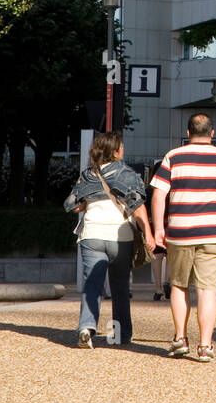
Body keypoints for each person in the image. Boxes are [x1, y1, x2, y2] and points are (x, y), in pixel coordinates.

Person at [151, 113, 216, 362]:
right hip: (214, 234)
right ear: (212, 133)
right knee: (207, 290)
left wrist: (158, 229)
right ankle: (205, 345)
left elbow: (158, 195)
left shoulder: (173, 157)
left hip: (180, 232)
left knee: (179, 285)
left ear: (188, 134)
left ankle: (179, 339)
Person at [64, 132, 154, 348]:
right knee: (120, 287)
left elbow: (74, 205)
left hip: (92, 236)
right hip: (119, 237)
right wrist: (149, 234)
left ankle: (86, 327)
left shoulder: (87, 175)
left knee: (92, 285)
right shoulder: (127, 174)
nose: (123, 149)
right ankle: (121, 335)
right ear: (115, 151)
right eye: (121, 146)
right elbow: (139, 209)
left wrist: (90, 201)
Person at [149, 160, 170, 301]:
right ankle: (167, 282)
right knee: (170, 256)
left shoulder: (149, 189)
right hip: (170, 222)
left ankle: (158, 288)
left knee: (157, 257)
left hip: (154, 223)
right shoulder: (171, 189)